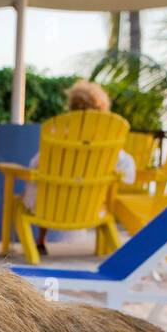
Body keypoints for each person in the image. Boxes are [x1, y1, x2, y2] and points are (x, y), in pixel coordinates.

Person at [23, 79, 136, 256]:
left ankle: (41, 240)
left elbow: (36, 165)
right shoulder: (106, 143)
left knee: (44, 187)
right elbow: (127, 167)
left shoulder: (58, 137)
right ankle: (103, 246)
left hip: (50, 206)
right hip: (90, 208)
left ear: (71, 108)